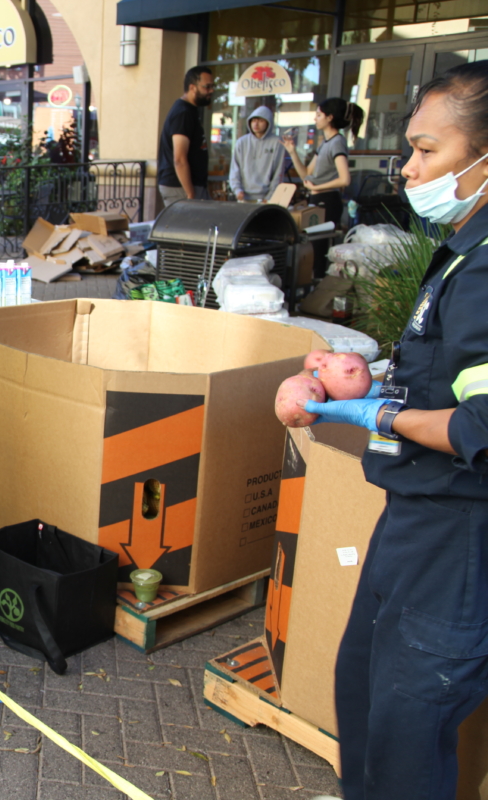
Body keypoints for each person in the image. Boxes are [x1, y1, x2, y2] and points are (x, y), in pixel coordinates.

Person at [298, 62, 488, 800]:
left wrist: (374, 413)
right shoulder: (462, 250)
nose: (409, 169)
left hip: (456, 539)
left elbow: (480, 425)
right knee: (365, 694)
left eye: (427, 151)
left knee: (409, 737)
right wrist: (377, 382)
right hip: (411, 520)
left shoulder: (484, 269)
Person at [282, 98, 364, 224]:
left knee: (321, 242)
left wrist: (317, 187)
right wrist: (292, 152)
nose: (315, 119)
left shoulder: (337, 142)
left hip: (328, 201)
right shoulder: (325, 143)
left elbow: (345, 179)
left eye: (319, 115)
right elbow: (307, 174)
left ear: (330, 117)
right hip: (317, 199)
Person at [157, 66, 214, 206]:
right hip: (180, 187)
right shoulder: (183, 113)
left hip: (188, 187)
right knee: (189, 228)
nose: (211, 91)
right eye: (207, 87)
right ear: (192, 87)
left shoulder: (190, 111)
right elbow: (179, 159)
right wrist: (190, 193)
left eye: (212, 86)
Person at [229, 106, 285, 202]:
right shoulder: (241, 142)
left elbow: (278, 173)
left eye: (261, 121)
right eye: (253, 120)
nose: (256, 124)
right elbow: (234, 170)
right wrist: (237, 190)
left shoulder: (277, 143)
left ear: (268, 123)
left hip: (266, 198)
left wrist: (269, 197)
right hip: (243, 197)